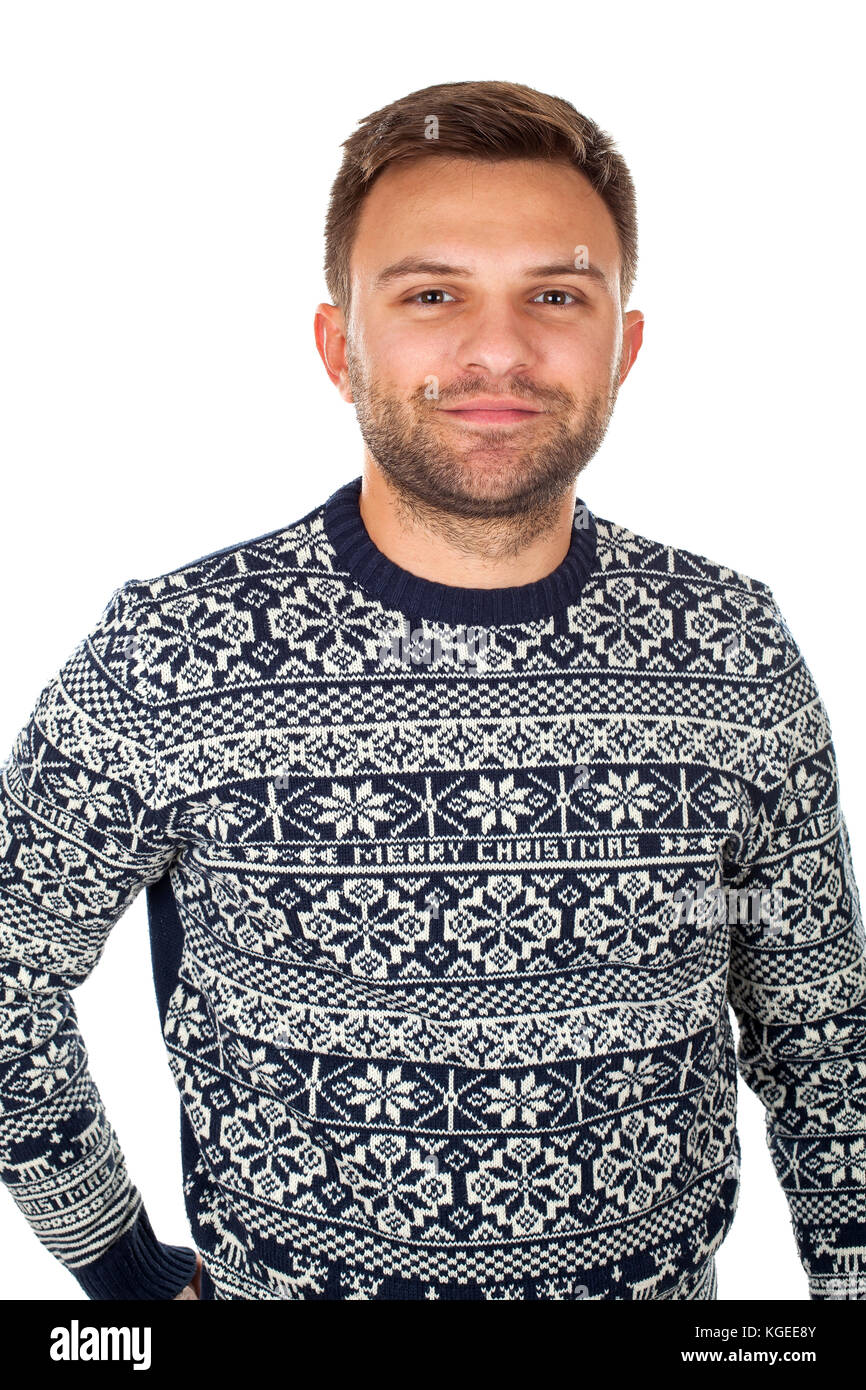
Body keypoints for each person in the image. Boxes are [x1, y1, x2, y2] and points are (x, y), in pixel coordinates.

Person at [1, 79, 863, 1302]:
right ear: (339, 343)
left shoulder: (730, 646)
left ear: (621, 343)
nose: (497, 350)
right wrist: (125, 1270)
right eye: (431, 294)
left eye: (554, 296)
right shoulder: (173, 654)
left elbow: (817, 1025)